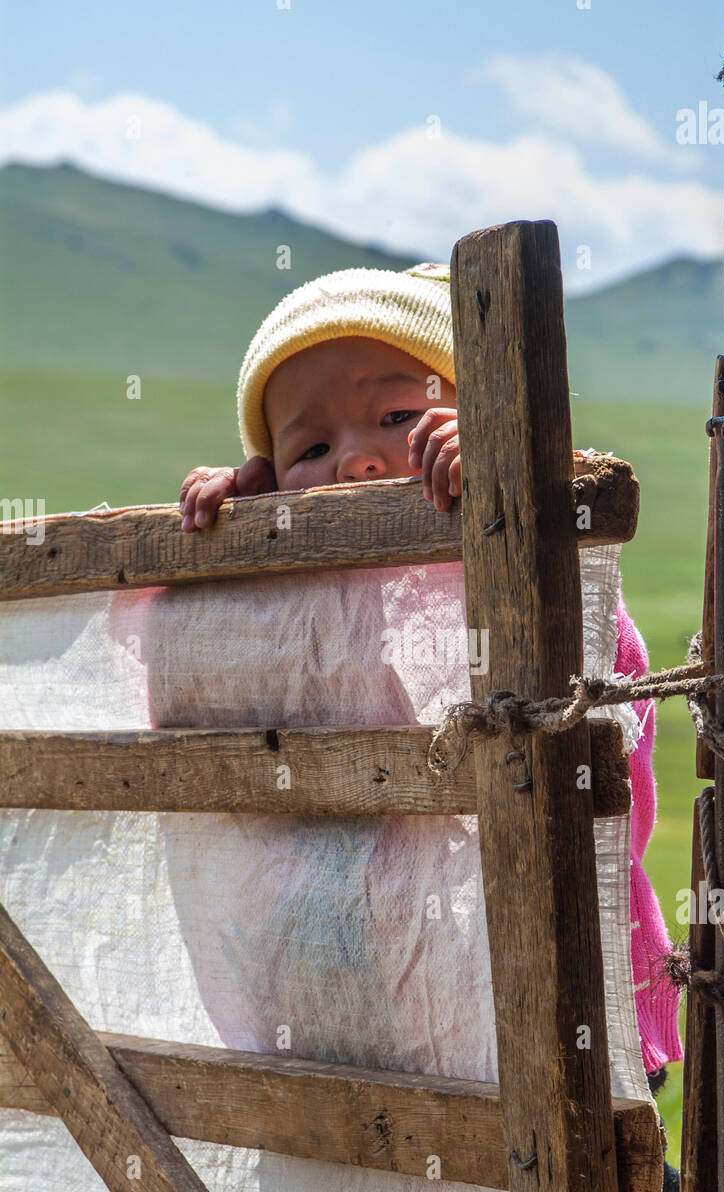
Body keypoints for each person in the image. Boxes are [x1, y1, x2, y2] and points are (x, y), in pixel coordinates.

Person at [178, 261, 684, 1142]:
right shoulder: (303, 621)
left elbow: (610, 693)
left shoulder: (511, 556)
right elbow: (186, 723)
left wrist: (514, 487)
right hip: (352, 1017)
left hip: (545, 990)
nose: (356, 459)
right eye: (309, 449)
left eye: (399, 418)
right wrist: (238, 561)